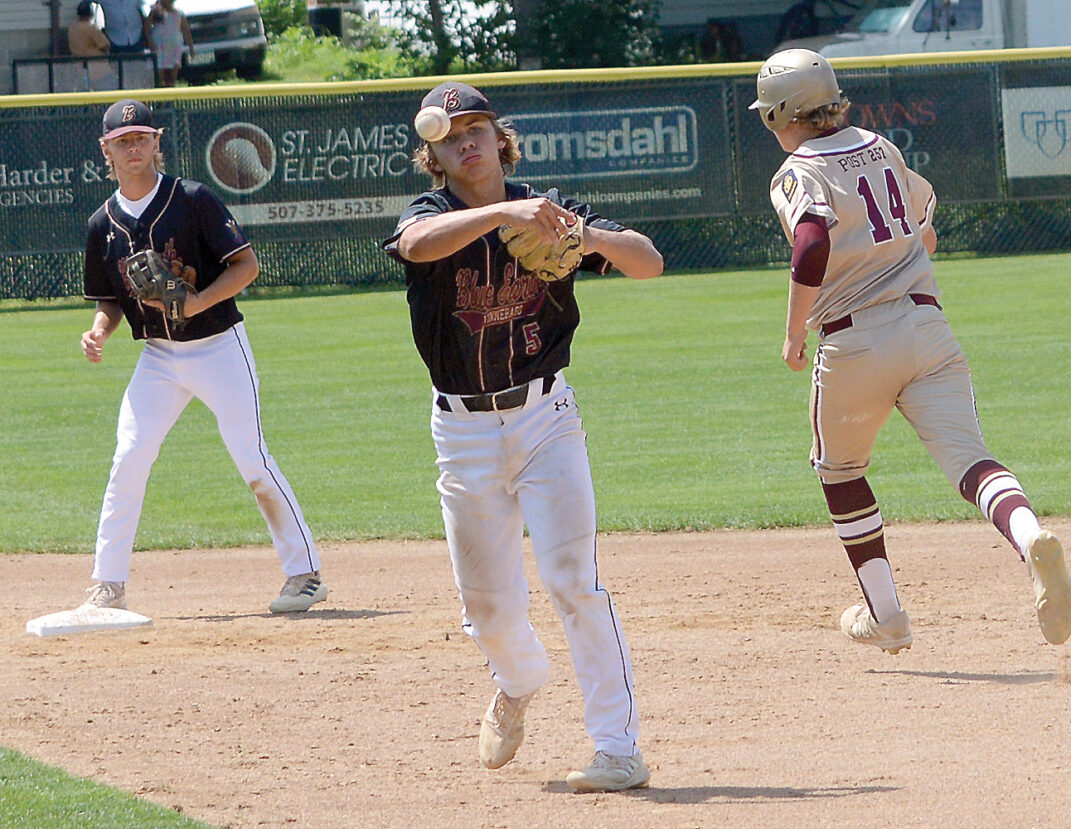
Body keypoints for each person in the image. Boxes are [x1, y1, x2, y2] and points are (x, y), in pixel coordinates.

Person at [383, 82, 663, 792]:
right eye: (451, 137)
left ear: (498, 137)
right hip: (462, 433)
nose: (467, 142)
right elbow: (413, 246)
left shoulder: (550, 211)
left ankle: (618, 748)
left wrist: (581, 234)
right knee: (487, 609)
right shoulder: (433, 214)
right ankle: (518, 679)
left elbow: (649, 261)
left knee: (576, 581)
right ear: (436, 156)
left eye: (476, 127)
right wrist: (503, 212)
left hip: (546, 420)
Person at [749, 49, 1071, 653]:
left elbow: (811, 243)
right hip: (928, 329)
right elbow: (923, 217)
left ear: (778, 115)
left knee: (841, 471)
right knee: (971, 462)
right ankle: (1029, 538)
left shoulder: (798, 170)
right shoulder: (882, 147)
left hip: (854, 342)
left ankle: (887, 617)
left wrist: (793, 331)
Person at [79, 99, 329, 616]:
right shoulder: (101, 222)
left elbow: (245, 266)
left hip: (218, 345)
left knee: (250, 458)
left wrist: (196, 301)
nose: (133, 148)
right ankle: (108, 585)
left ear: (156, 142)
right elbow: (110, 297)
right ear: (106, 149)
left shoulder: (192, 198)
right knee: (128, 458)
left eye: (141, 137)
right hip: (158, 357)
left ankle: (304, 575)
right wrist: (100, 329)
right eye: (122, 141)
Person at [145, 0, 195, 88]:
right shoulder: (156, 12)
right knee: (159, 77)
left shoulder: (178, 13)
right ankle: (160, 99)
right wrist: (150, 42)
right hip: (159, 48)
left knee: (171, 78)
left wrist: (191, 48)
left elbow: (186, 31)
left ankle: (169, 100)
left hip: (174, 49)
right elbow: (147, 27)